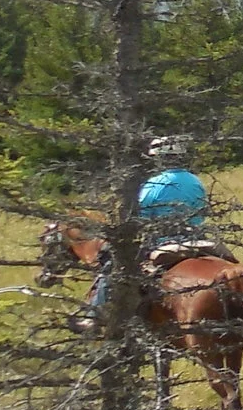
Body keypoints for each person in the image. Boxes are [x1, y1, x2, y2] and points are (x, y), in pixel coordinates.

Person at [83, 136, 210, 326]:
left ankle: (93, 316)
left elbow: (139, 216)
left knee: (114, 268)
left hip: (162, 240)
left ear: (159, 159)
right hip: (197, 237)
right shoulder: (196, 181)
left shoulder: (153, 184)